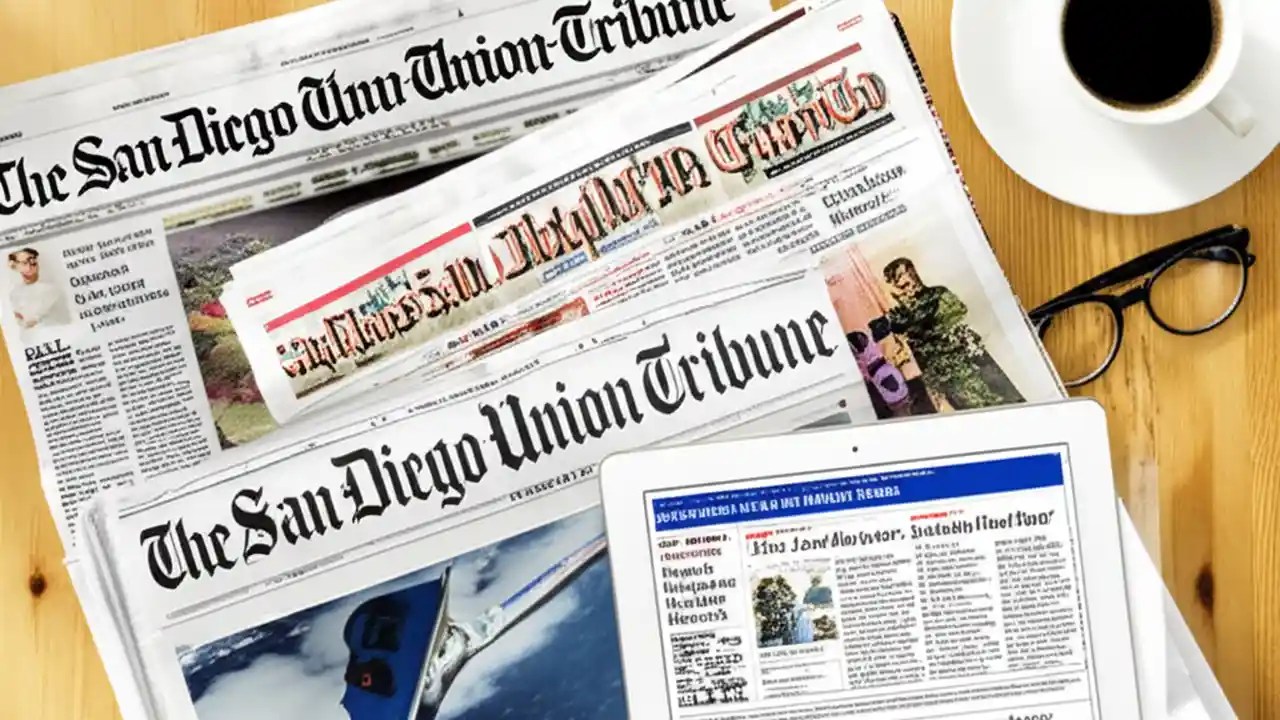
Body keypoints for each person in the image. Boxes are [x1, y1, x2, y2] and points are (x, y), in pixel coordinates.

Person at [882, 257, 1023, 409]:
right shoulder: (902, 315)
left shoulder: (938, 294)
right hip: (943, 377)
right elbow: (900, 333)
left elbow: (957, 313)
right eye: (898, 291)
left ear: (913, 275)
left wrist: (920, 327)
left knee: (1000, 400)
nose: (906, 292)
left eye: (906, 284)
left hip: (968, 365)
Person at [7, 248, 68, 333]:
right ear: (14, 266)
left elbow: (32, 320)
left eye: (33, 262)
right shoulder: (14, 293)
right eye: (24, 263)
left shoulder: (50, 289)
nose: (30, 266)